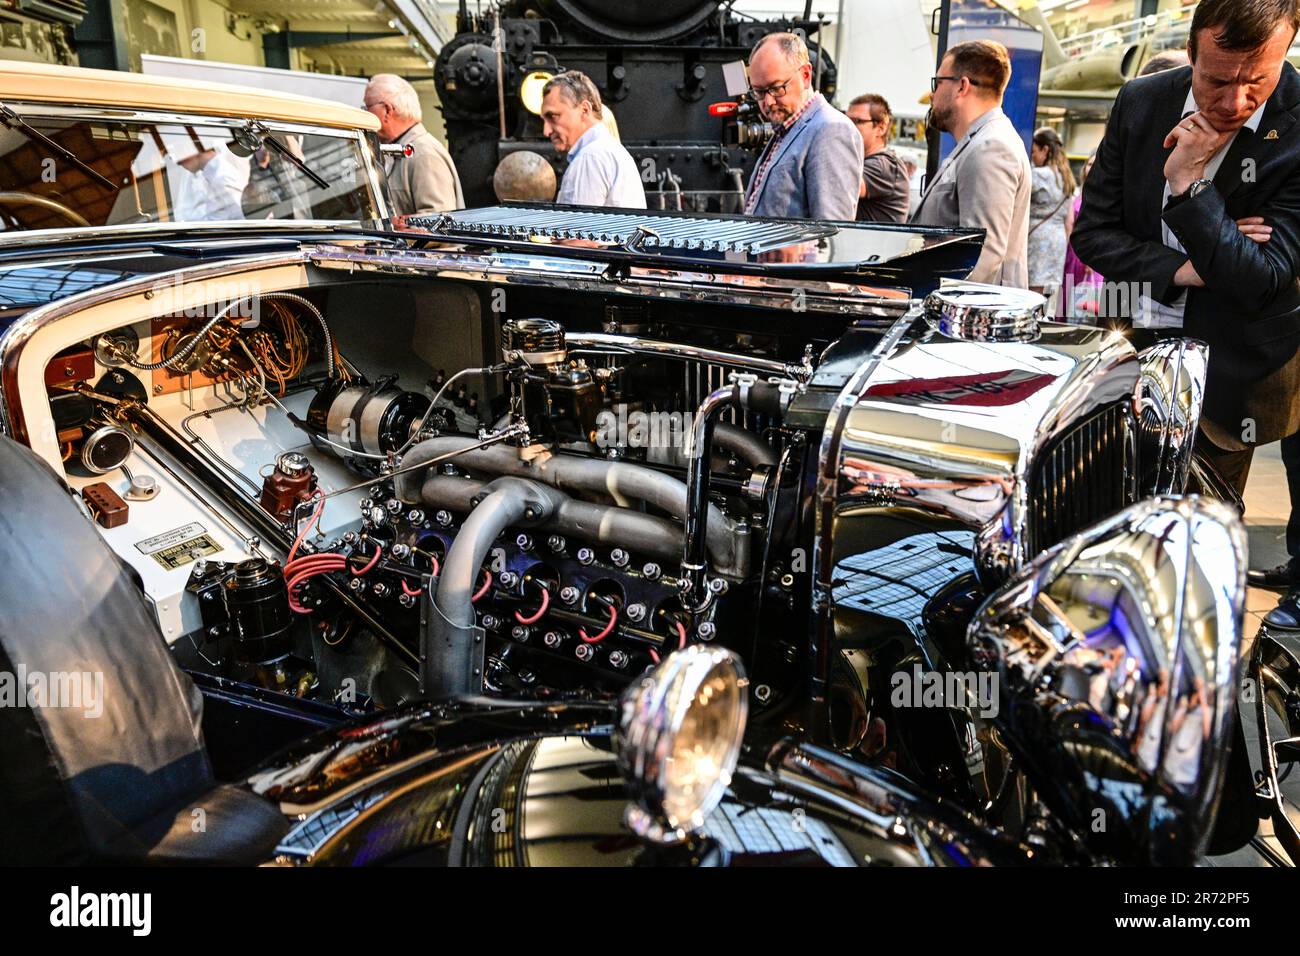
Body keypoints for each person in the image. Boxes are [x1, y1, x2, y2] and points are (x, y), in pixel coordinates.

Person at [1070, 0, 1300, 500]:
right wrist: (1187, 267)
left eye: (1257, 81)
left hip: (1231, 376)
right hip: (1127, 347)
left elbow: (1260, 280)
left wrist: (1189, 185)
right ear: (1191, 51)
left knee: (1200, 529)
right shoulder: (1140, 101)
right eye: (1217, 81)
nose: (1237, 101)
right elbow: (1092, 234)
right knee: (1107, 512)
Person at [911, 40, 1032, 287]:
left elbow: (982, 257)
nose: (933, 94)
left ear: (961, 86)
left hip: (967, 319)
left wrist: (928, 299)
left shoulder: (990, 147)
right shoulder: (981, 142)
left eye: (938, 82)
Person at [742, 32, 862, 222]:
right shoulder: (786, 128)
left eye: (776, 88)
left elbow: (832, 231)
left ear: (806, 75)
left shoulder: (831, 131)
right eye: (759, 91)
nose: (768, 101)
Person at [540, 71, 646, 209]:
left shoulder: (590, 158)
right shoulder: (609, 151)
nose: (546, 131)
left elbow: (575, 228)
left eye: (553, 116)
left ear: (584, 109)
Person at [364, 74, 464, 215]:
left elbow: (438, 222)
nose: (365, 113)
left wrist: (395, 228)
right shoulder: (401, 150)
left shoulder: (424, 154)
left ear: (387, 110)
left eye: (367, 106)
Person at [1028, 127, 1076, 312]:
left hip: (1037, 238)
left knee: (1032, 292)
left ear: (1045, 150)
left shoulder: (1039, 175)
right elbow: (1069, 221)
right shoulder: (1066, 177)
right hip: (1057, 240)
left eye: (1034, 151)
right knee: (1049, 295)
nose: (1032, 156)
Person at [847, 94, 910, 223]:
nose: (848, 126)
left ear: (881, 128)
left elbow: (844, 186)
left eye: (857, 121)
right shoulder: (865, 161)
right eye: (846, 120)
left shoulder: (884, 164)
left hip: (874, 243)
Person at [1059, 154, 1104, 321]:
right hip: (1074, 253)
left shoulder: (1104, 195)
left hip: (1092, 252)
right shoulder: (1079, 192)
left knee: (1088, 294)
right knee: (1069, 291)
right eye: (1089, 164)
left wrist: (1092, 259)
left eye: (1095, 164)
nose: (1090, 168)